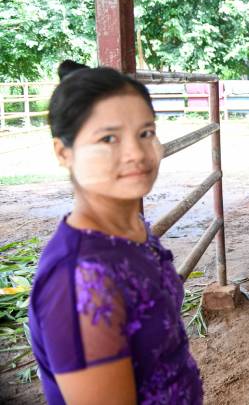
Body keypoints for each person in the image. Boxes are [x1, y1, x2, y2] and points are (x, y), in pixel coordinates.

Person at [28, 60, 203, 404]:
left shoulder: (130, 229)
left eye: (146, 133)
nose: (136, 153)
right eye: (109, 138)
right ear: (63, 152)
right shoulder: (79, 282)